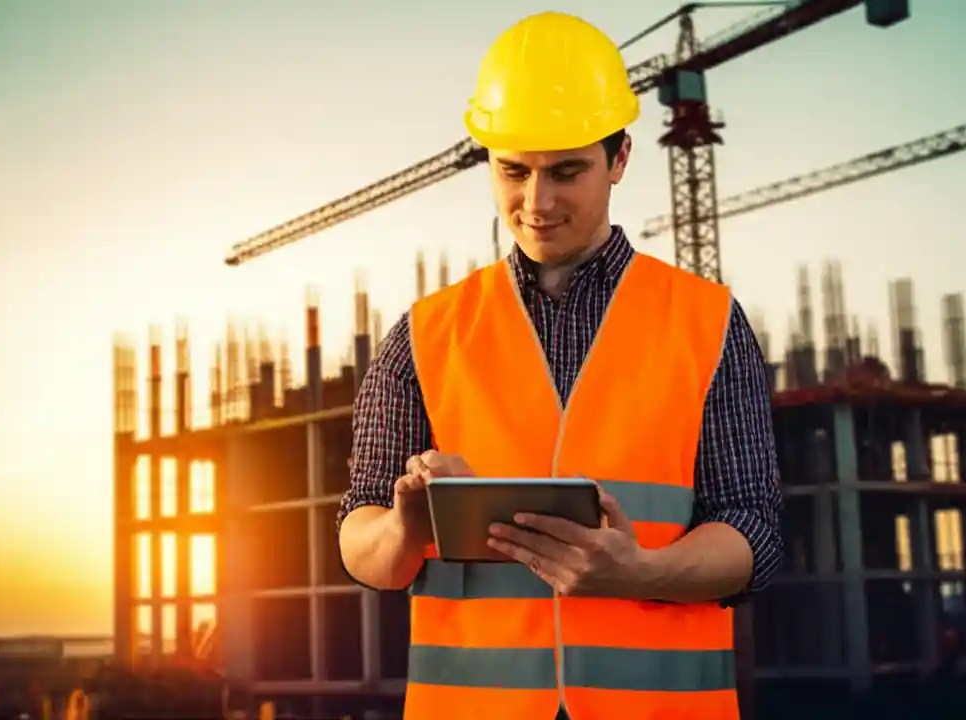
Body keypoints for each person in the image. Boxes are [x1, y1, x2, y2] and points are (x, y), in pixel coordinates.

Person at [336, 10, 783, 720]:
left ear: (620, 159)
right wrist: (405, 529)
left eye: (567, 171)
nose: (536, 203)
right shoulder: (423, 335)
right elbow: (359, 537)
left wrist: (642, 572)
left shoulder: (709, 322)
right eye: (513, 171)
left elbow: (755, 530)